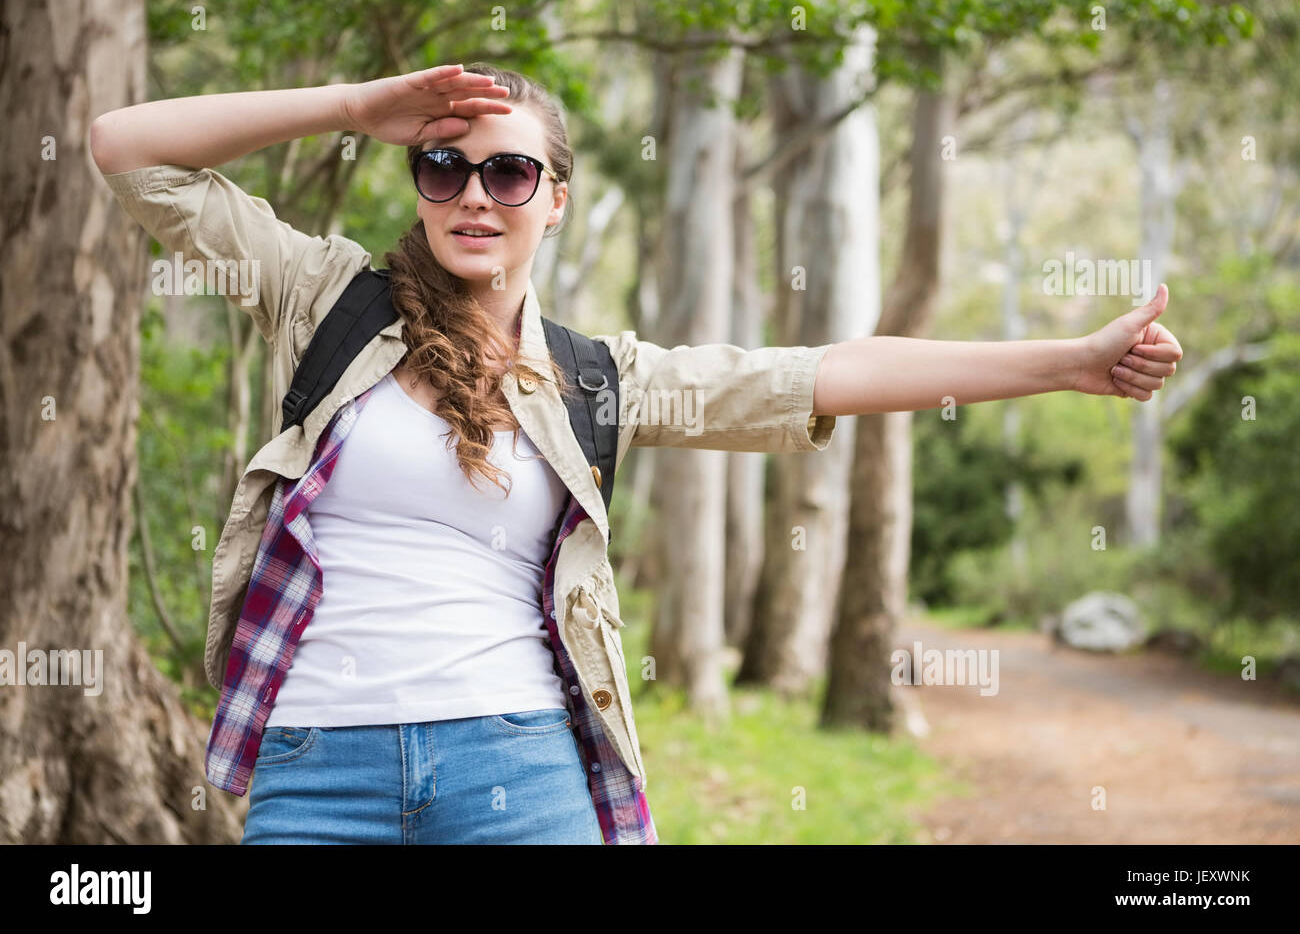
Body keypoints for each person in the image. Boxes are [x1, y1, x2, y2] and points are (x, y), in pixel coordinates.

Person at [90, 62, 1183, 846]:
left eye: (509, 174)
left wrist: (1068, 363)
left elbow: (826, 370)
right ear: (417, 178)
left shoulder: (597, 379)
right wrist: (351, 107)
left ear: (554, 199)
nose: (475, 194)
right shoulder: (325, 299)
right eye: (444, 167)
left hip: (514, 763)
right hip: (318, 763)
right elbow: (124, 147)